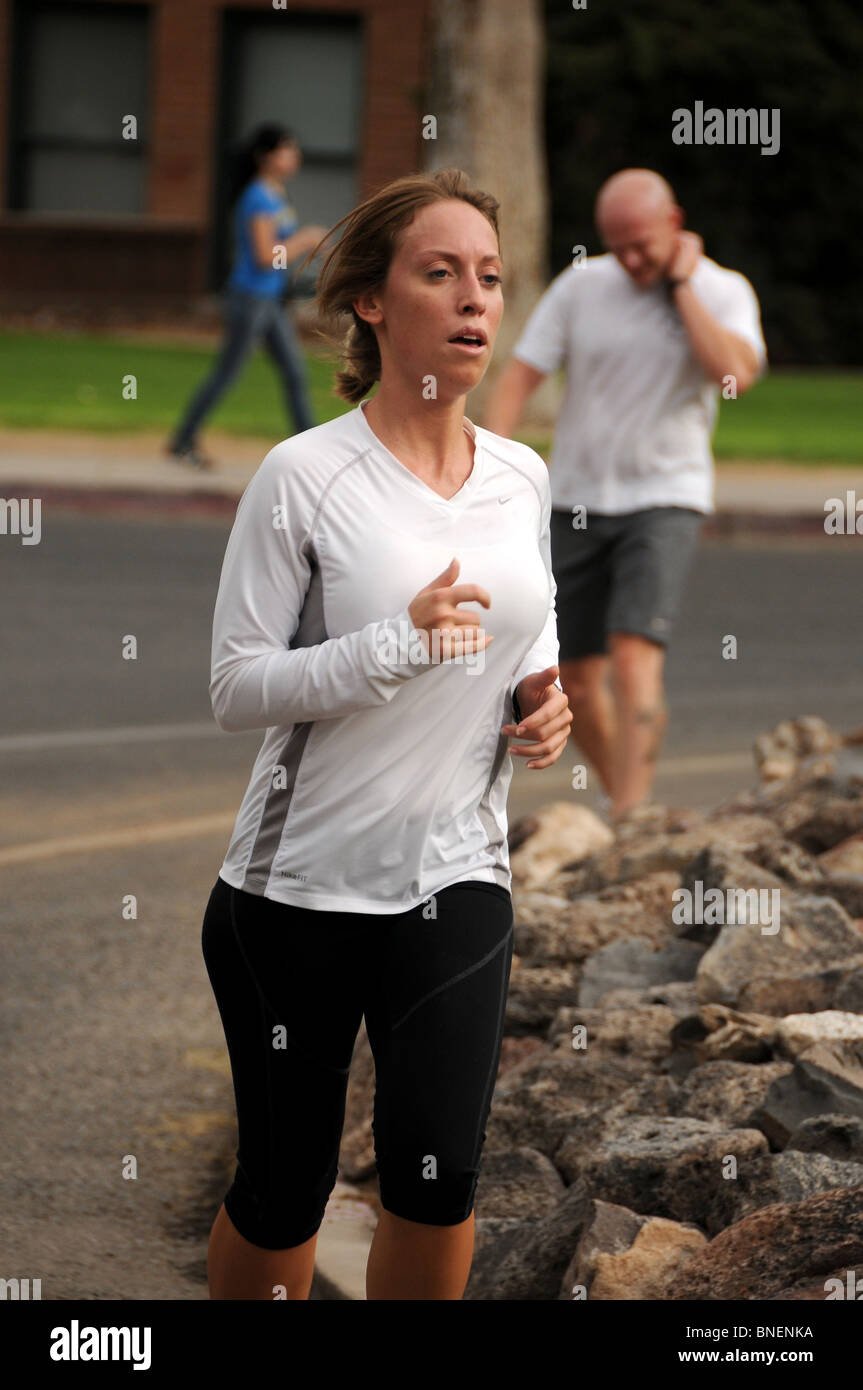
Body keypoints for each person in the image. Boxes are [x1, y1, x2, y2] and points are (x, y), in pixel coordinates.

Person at [199, 166, 572, 1301]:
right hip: (293, 894)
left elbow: (529, 615)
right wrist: (392, 648)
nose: (473, 300)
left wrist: (539, 700)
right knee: (283, 1190)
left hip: (454, 878)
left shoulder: (520, 474)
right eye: (440, 272)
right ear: (371, 301)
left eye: (491, 279)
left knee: (436, 1183)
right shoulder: (302, 476)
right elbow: (233, 686)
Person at [483, 167, 767, 822]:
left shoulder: (723, 290)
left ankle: (630, 816)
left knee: (635, 654)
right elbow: (519, 375)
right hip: (575, 497)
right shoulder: (582, 286)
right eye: (618, 245)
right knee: (572, 676)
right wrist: (492, 464)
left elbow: (732, 374)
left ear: (674, 222)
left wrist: (682, 286)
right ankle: (628, 804)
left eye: (642, 243)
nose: (631, 259)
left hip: (665, 496)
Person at [166, 123, 329, 469]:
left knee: (295, 372)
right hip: (251, 298)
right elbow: (265, 256)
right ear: (266, 157)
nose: (294, 156)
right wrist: (306, 240)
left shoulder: (275, 193)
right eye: (287, 149)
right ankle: (183, 439)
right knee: (228, 372)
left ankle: (313, 451)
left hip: (268, 301)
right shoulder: (258, 197)